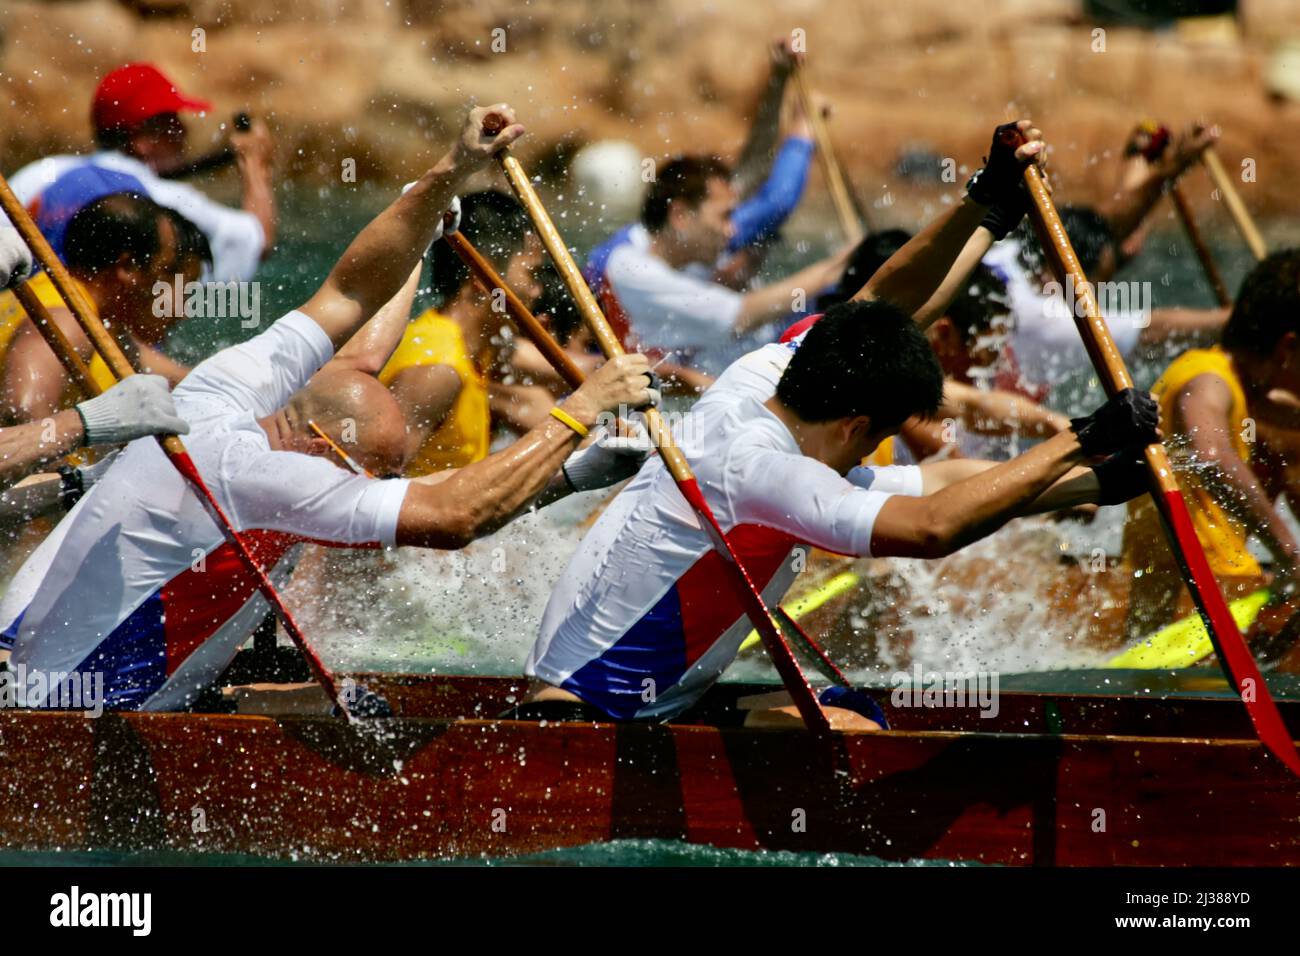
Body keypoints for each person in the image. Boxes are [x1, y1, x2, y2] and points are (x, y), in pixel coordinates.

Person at [0, 104, 658, 711]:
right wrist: (577, 412)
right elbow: (455, 515)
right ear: (320, 433)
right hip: (57, 714)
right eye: (359, 462)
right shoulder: (273, 479)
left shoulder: (223, 389)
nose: (356, 475)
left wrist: (440, 183)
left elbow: (346, 293)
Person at [521, 122, 1161, 729]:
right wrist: (1082, 436)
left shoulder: (769, 372)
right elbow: (934, 529)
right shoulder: (767, 472)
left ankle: (1099, 481)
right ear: (856, 427)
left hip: (650, 695)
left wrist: (986, 206)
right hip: (591, 716)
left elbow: (887, 308)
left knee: (856, 700)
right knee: (859, 726)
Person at [1123, 251, 1300, 639]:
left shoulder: (1238, 386)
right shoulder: (1209, 379)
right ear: (1288, 347)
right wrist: (1288, 552)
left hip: (1182, 598)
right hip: (1212, 593)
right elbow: (1210, 454)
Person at [7, 62, 274, 282]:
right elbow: (258, 240)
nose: (183, 132)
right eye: (172, 123)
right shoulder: (163, 200)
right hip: (107, 344)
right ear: (142, 139)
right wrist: (255, 165)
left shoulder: (42, 173)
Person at [0, 184, 209, 424]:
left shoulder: (100, 323)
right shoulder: (67, 322)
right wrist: (88, 431)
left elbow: (192, 383)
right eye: (176, 282)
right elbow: (20, 414)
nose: (183, 310)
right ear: (128, 268)